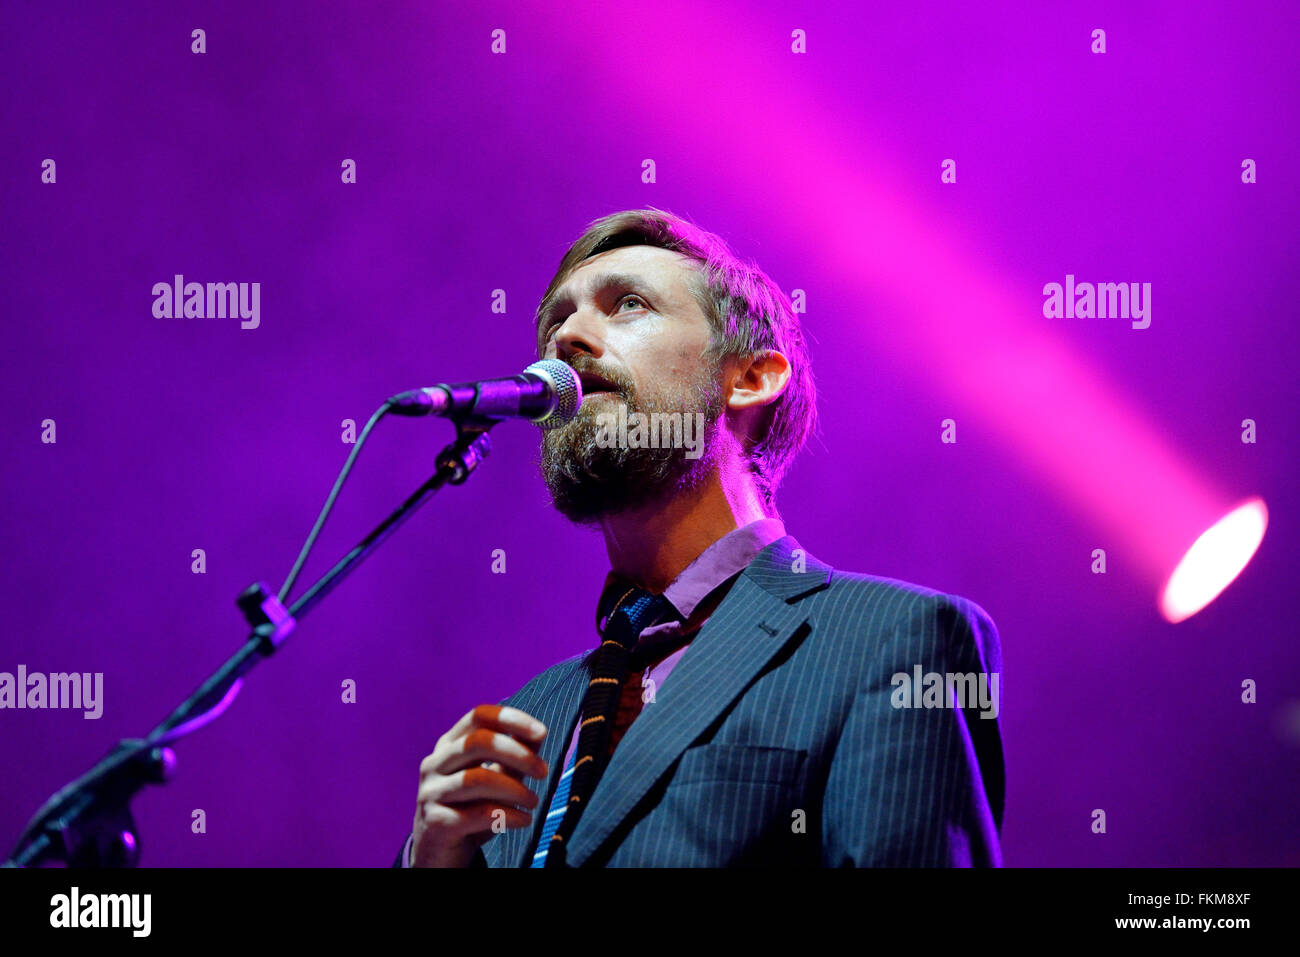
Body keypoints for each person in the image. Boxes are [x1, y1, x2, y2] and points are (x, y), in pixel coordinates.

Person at [395, 207, 1004, 867]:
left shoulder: (892, 641)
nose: (567, 337)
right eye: (554, 323)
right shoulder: (525, 720)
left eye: (627, 304)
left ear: (751, 377)